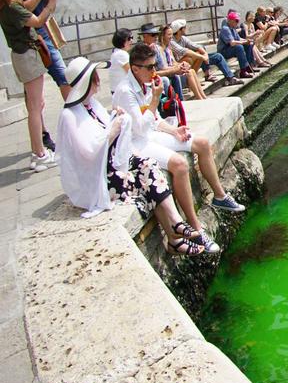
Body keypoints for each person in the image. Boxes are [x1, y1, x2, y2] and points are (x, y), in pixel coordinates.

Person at [54, 56, 204, 257]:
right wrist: (113, 129)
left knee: (149, 165)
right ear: (86, 82)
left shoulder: (92, 105)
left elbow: (104, 132)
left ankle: (176, 227)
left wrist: (115, 118)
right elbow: (88, 152)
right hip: (97, 177)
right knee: (146, 180)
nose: (98, 81)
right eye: (94, 77)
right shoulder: (69, 115)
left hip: (111, 164)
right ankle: (175, 236)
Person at [113, 42, 245, 223]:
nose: (154, 71)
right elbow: (140, 128)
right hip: (135, 143)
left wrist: (173, 130)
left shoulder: (144, 82)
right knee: (180, 165)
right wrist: (155, 98)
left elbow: (155, 119)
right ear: (135, 69)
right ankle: (195, 225)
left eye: (155, 65)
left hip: (150, 135)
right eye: (150, 67)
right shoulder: (125, 91)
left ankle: (220, 196)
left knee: (202, 143)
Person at [1, 0, 59, 172]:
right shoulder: (10, 5)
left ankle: (38, 152)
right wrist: (52, 0)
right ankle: (39, 154)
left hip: (25, 53)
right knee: (35, 108)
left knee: (37, 104)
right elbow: (37, 20)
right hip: (26, 54)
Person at [170, 19, 240, 86]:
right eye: (184, 27)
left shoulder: (183, 38)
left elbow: (197, 46)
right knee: (192, 57)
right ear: (180, 30)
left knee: (217, 56)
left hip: (192, 62)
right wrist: (203, 57)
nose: (186, 29)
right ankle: (192, 80)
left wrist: (205, 55)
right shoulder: (171, 41)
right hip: (179, 64)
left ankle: (230, 78)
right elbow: (184, 51)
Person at [217, 11, 256, 78]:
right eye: (236, 21)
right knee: (239, 47)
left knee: (249, 45)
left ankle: (249, 65)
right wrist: (244, 42)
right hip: (224, 51)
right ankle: (243, 71)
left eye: (238, 21)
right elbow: (232, 43)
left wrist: (247, 41)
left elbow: (239, 39)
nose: (237, 22)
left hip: (230, 49)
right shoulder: (225, 29)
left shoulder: (233, 28)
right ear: (230, 20)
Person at [108, 28, 133, 92]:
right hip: (122, 91)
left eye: (132, 38)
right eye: (129, 38)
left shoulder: (117, 52)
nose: (131, 40)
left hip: (118, 89)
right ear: (122, 40)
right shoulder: (121, 54)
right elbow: (131, 72)